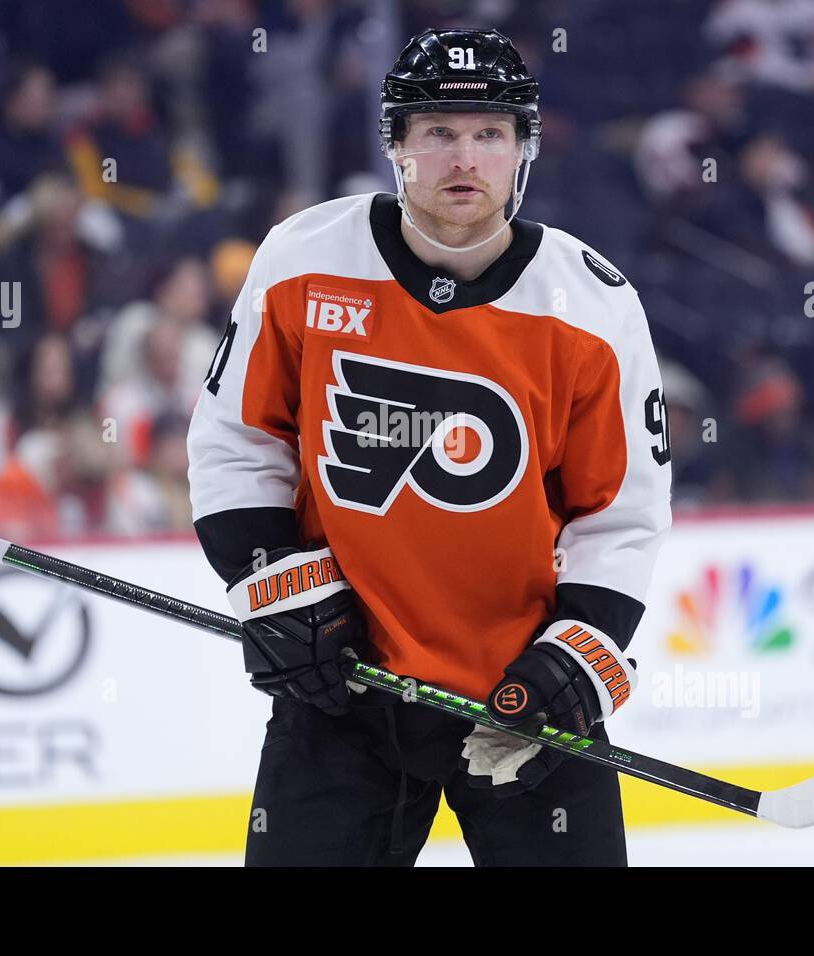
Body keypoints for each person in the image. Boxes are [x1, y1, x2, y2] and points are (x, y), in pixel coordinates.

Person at [186, 28, 673, 866]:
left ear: (524, 149)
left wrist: (577, 655)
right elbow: (239, 442)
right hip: (343, 686)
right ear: (396, 145)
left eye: (490, 133)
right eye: (437, 131)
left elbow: (620, 513)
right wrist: (277, 588)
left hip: (522, 702)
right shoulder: (302, 260)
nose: (464, 157)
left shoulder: (593, 306)